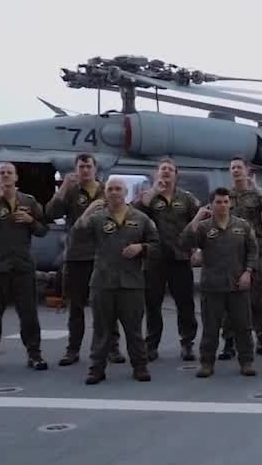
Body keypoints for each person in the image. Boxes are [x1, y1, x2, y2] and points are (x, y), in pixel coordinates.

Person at [76, 177, 161, 384]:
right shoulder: (97, 219)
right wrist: (87, 211)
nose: (114, 192)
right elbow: (76, 236)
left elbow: (157, 245)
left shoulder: (140, 218)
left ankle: (140, 367)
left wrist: (141, 248)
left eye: (118, 189)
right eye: (110, 189)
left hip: (131, 284)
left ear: (125, 193)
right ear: (106, 193)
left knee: (133, 329)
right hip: (103, 282)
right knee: (101, 329)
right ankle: (96, 368)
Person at [0, 162, 49, 375]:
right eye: (1, 173)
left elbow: (43, 230)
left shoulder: (28, 201)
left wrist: (31, 221)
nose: (5, 176)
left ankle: (35, 355)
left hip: (22, 265)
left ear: (16, 177)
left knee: (29, 314)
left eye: (9, 173)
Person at [44, 153, 120, 366]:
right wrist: (63, 189)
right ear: (76, 170)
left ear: (95, 169)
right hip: (76, 257)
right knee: (75, 307)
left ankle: (112, 348)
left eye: (88, 166)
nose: (85, 170)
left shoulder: (108, 191)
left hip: (103, 256)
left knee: (106, 307)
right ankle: (73, 350)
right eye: (81, 167)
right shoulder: (70, 192)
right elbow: (50, 213)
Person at [182, 187, 260, 378]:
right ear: (212, 204)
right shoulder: (204, 227)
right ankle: (207, 363)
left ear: (230, 203)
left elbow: (253, 251)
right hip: (212, 286)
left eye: (225, 201)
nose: (223, 205)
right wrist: (197, 218)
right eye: (218, 202)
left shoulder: (242, 226)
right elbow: (185, 242)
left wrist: (247, 272)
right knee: (211, 327)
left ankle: (246, 361)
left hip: (237, 284)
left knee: (243, 326)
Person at [132, 158, 200, 362]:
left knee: (185, 304)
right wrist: (154, 190)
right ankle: (151, 345)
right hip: (155, 258)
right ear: (156, 174)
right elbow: (135, 214)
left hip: (180, 258)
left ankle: (187, 343)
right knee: (152, 304)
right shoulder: (148, 197)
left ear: (176, 175)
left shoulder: (186, 198)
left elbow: (199, 224)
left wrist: (197, 249)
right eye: (163, 169)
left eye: (170, 170)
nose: (166, 173)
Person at [222, 157, 262, 358]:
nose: (236, 171)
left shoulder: (256, 195)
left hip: (255, 253)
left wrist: (258, 189)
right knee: (229, 299)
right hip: (232, 254)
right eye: (233, 168)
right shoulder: (225, 196)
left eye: (239, 167)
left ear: (247, 171)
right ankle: (229, 343)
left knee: (258, 298)